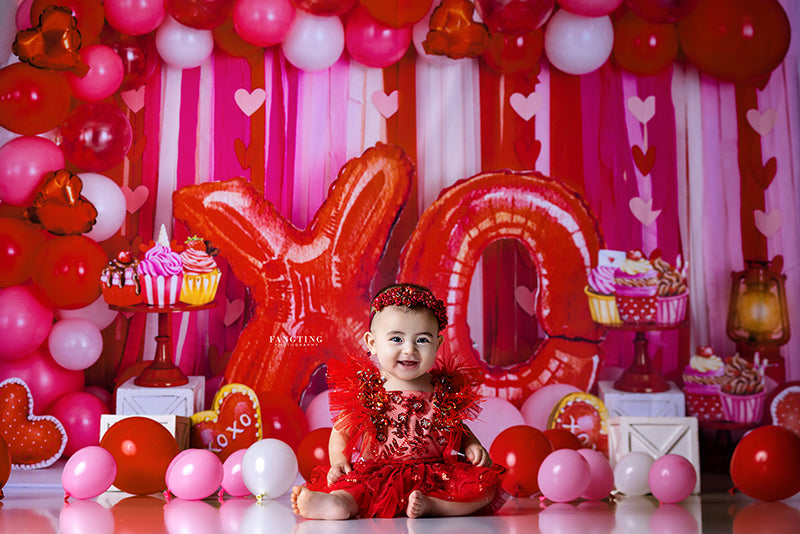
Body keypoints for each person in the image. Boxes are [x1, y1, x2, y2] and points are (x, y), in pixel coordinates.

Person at [291, 283, 505, 519]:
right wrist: (339, 460)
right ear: (372, 343)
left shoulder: (440, 387)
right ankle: (337, 504)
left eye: (422, 340)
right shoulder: (369, 387)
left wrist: (471, 445)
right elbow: (343, 428)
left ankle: (434, 506)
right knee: (357, 490)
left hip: (433, 474)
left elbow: (455, 426)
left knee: (485, 490)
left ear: (437, 344)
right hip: (379, 473)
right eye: (396, 339)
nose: (409, 350)